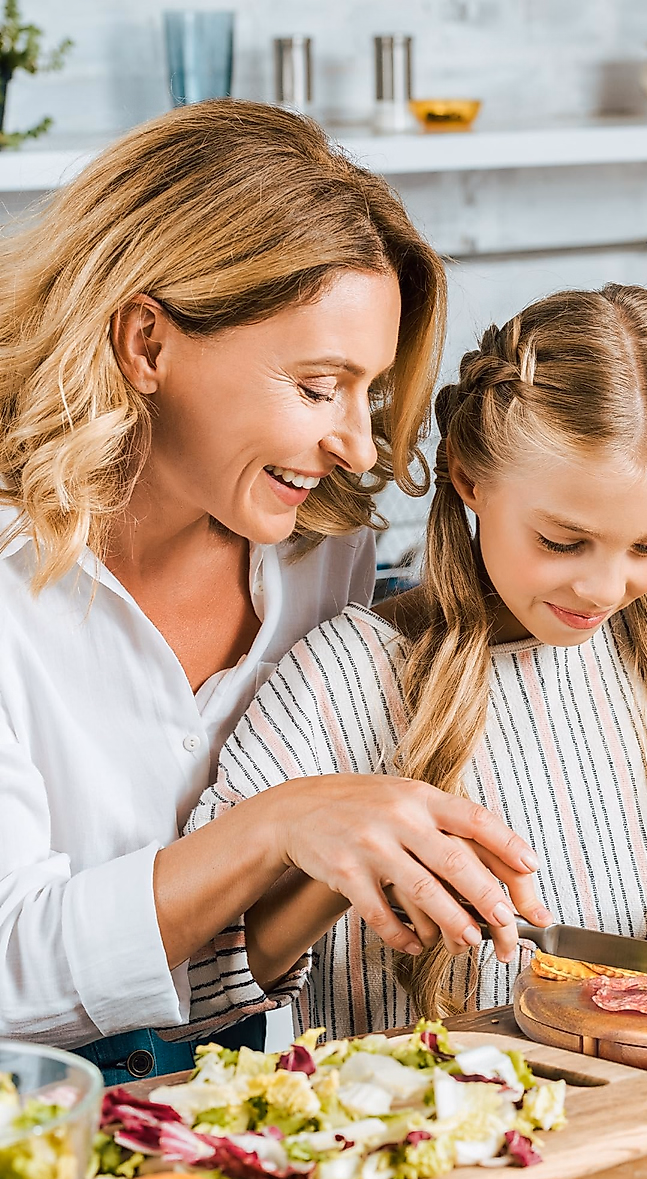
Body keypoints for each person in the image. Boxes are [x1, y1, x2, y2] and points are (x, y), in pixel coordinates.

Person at [0, 99, 545, 1082]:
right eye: (315, 386)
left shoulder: (317, 553)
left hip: (229, 1100)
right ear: (148, 345)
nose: (359, 446)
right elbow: (10, 975)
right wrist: (279, 824)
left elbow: (241, 952)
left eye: (367, 393)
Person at [179, 283, 647, 1037]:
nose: (606, 587)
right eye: (562, 542)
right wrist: (343, 873)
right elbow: (200, 984)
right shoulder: (343, 677)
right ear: (473, 481)